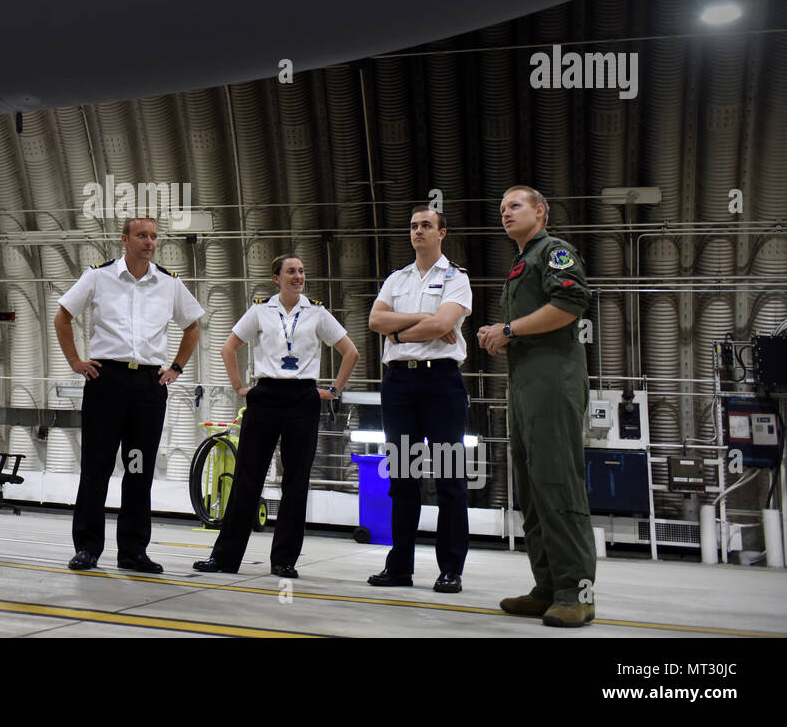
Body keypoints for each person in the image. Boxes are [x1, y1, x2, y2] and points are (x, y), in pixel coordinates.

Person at [193, 253, 359, 579]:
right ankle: (225, 558)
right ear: (276, 278)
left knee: (295, 483)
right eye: (291, 272)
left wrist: (335, 390)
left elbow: (350, 352)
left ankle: (284, 560)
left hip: (303, 399)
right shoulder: (260, 310)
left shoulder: (317, 312)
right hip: (266, 396)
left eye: (301, 271)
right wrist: (240, 387)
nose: (298, 276)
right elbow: (229, 347)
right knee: (247, 479)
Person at [55, 217, 204, 573]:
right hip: (107, 383)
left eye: (153, 236)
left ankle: (133, 551)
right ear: (125, 239)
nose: (149, 242)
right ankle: (88, 548)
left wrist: (177, 368)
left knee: (138, 469)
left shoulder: (169, 283)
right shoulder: (98, 276)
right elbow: (62, 316)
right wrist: (75, 360)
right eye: (142, 235)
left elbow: (193, 326)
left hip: (147, 390)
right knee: (97, 468)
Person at [477, 185, 595, 627]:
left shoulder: (555, 251)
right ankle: (547, 587)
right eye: (502, 207)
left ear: (540, 212)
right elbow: (529, 324)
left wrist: (508, 329)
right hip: (526, 385)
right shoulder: (522, 261)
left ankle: (576, 592)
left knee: (558, 484)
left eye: (516, 205)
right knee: (531, 488)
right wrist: (505, 334)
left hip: (553, 383)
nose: (506, 213)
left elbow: (569, 304)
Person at [366, 205, 472, 593]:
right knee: (403, 478)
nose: (418, 231)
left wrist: (398, 333)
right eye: (413, 226)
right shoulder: (397, 279)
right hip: (399, 386)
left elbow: (445, 324)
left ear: (442, 233)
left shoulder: (455, 278)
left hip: (440, 385)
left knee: (449, 478)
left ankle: (450, 569)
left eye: (426, 225)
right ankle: (400, 567)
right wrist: (420, 323)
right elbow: (376, 321)